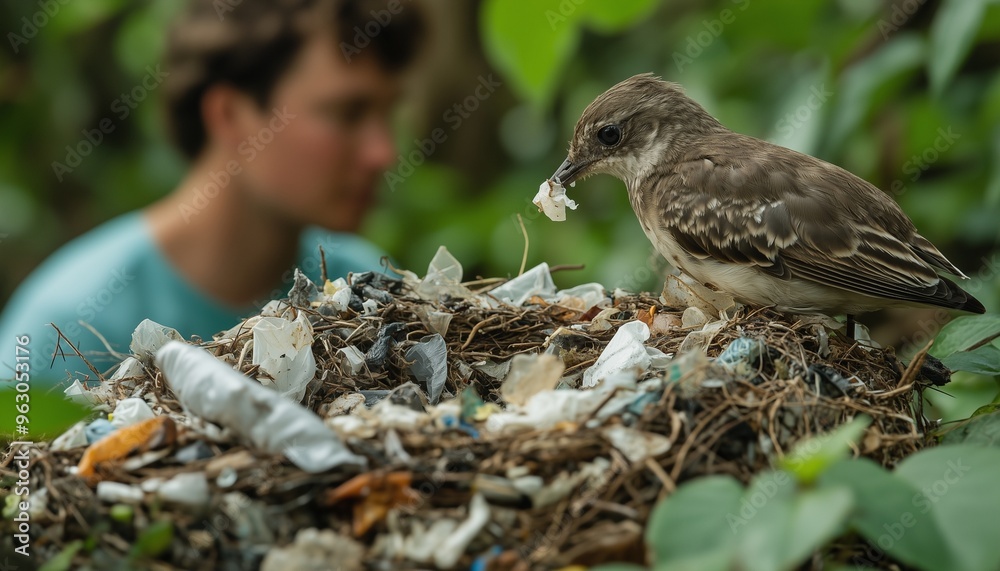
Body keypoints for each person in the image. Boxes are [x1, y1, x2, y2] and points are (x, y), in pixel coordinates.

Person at [0, 0, 425, 388]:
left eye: (387, 113)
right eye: (347, 113)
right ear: (229, 114)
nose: (383, 152)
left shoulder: (364, 292)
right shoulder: (66, 329)